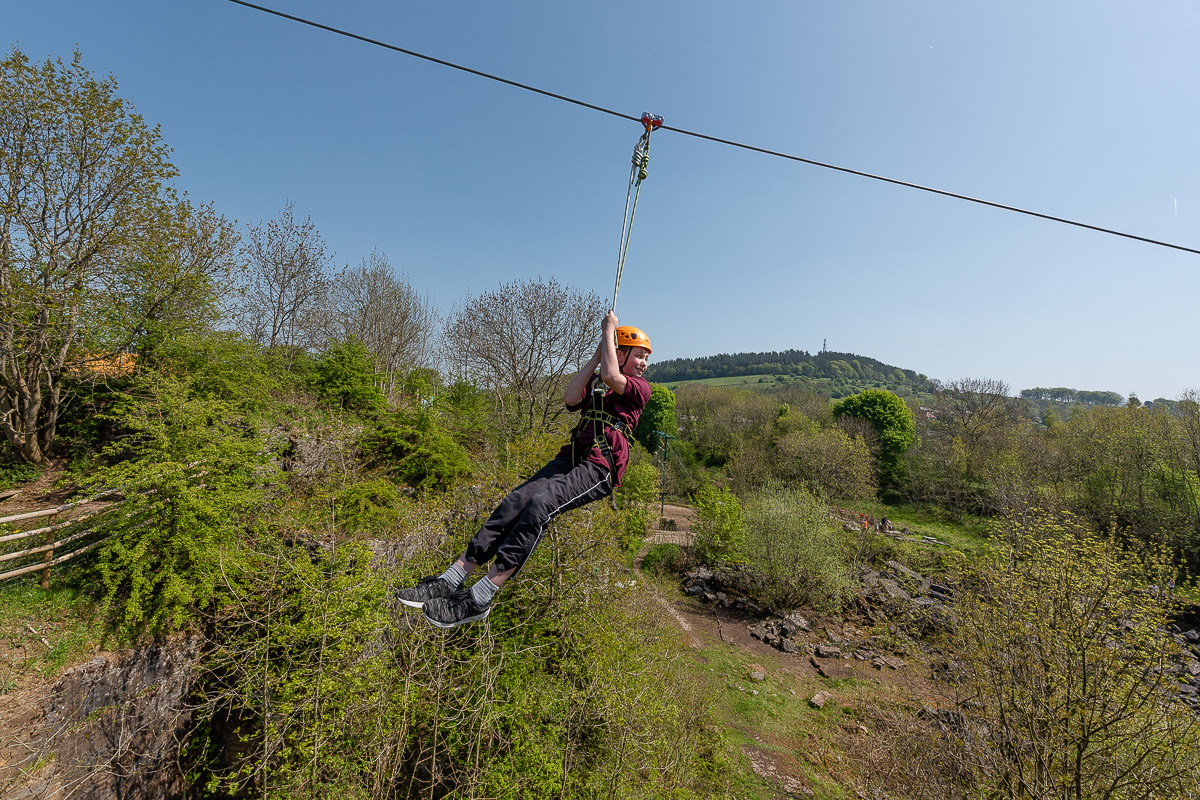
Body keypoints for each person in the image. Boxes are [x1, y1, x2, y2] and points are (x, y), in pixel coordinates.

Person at [394, 311, 653, 628]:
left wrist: (609, 331)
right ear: (621, 352)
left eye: (645, 358)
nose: (644, 363)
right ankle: (452, 577)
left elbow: (615, 376)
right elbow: (571, 397)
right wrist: (599, 353)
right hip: (573, 453)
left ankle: (482, 595)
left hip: (602, 462)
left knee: (540, 504)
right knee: (515, 501)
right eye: (639, 355)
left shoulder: (640, 388)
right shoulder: (602, 384)